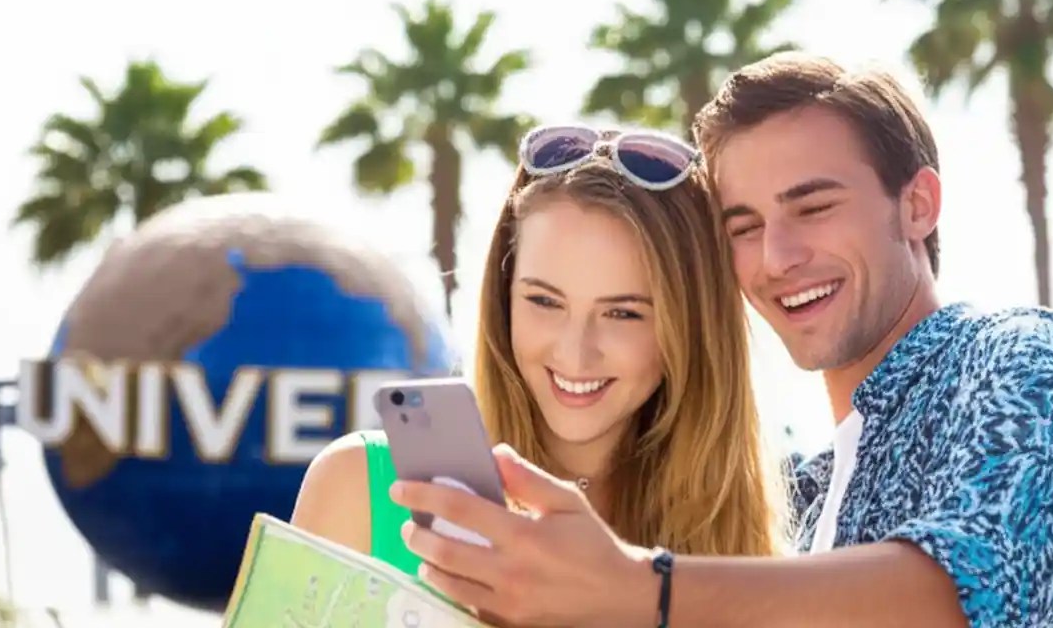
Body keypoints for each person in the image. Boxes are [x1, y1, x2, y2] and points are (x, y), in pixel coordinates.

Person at [390, 52, 1053, 627]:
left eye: (814, 206)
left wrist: (638, 587)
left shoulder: (1025, 361)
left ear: (918, 203)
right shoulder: (793, 506)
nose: (777, 257)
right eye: (745, 226)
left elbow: (958, 596)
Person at [289, 123, 791, 576]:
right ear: (503, 298)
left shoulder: (741, 552)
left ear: (692, 328)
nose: (576, 353)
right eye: (544, 301)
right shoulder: (362, 490)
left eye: (624, 312)